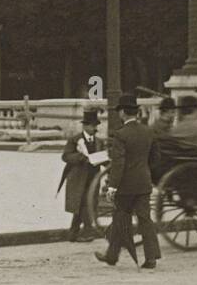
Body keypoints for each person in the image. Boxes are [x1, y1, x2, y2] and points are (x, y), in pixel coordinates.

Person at [95, 93, 161, 269]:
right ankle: (151, 257)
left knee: (119, 219)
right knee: (145, 220)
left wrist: (112, 187)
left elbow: (119, 163)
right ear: (136, 112)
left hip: (125, 186)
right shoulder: (148, 132)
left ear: (123, 113)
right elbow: (155, 159)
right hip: (143, 183)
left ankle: (112, 255)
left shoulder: (120, 135)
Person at [57, 106, 103, 241]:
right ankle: (87, 232)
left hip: (93, 178)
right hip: (78, 178)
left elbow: (103, 157)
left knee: (85, 203)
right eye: (92, 126)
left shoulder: (99, 141)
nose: (95, 129)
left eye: (96, 125)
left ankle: (73, 233)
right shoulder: (75, 139)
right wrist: (82, 158)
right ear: (85, 126)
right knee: (82, 203)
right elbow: (65, 156)